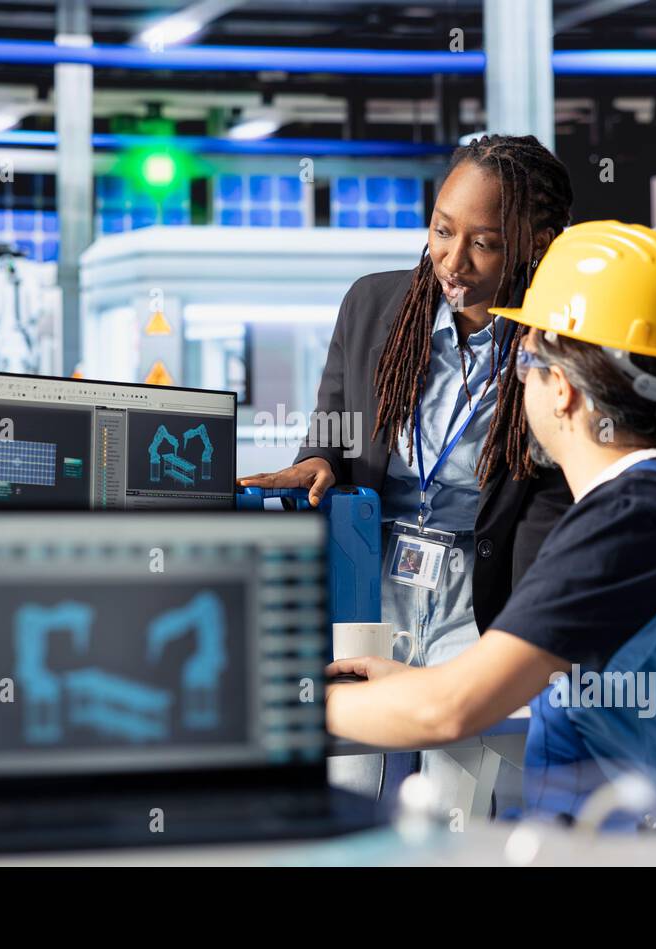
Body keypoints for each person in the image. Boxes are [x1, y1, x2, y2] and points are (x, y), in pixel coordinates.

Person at [325, 221, 656, 828]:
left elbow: (448, 715)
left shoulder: (628, 525)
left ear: (560, 388)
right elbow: (489, 683)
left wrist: (284, 707)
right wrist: (414, 683)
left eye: (523, 364)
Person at [239, 135, 575, 808]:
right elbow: (332, 426)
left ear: (537, 243)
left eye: (485, 243)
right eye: (442, 231)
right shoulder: (374, 306)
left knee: (461, 801)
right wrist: (315, 463)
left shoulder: (558, 343)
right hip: (376, 581)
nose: (452, 260)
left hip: (480, 591)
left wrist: (533, 627)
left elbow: (556, 489)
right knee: (352, 788)